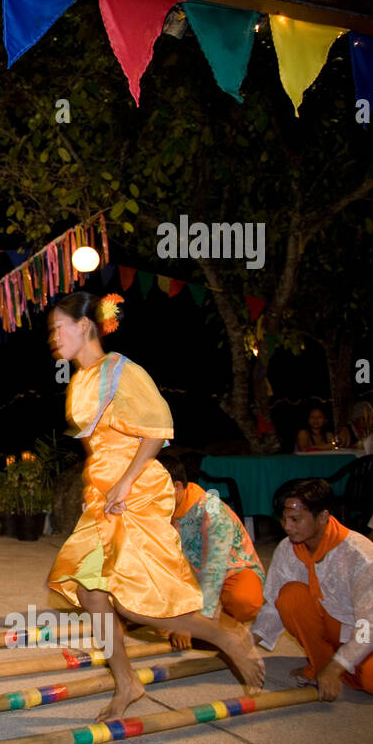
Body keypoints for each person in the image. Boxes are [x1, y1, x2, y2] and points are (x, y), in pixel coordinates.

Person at [46, 293, 264, 722]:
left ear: (84, 326)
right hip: (104, 493)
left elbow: (158, 429)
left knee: (132, 601)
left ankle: (228, 634)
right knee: (91, 592)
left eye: (59, 327)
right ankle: (127, 681)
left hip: (135, 490)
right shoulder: (83, 378)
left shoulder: (120, 371)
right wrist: (107, 486)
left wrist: (125, 483)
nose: (53, 338)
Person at [253, 479, 373, 699]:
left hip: (370, 628)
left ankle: (332, 665)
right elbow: (274, 606)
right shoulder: (287, 548)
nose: (287, 526)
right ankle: (324, 663)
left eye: (296, 519)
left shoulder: (359, 553)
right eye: (284, 519)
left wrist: (336, 667)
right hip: (330, 625)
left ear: (323, 516)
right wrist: (247, 642)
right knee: (290, 596)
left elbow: (370, 623)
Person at [156, 455, 265, 649]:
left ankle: (220, 623)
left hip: (230, 572)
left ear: (177, 486)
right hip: (189, 576)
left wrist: (190, 623)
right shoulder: (156, 510)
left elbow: (214, 571)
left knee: (244, 601)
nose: (149, 498)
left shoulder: (212, 511)